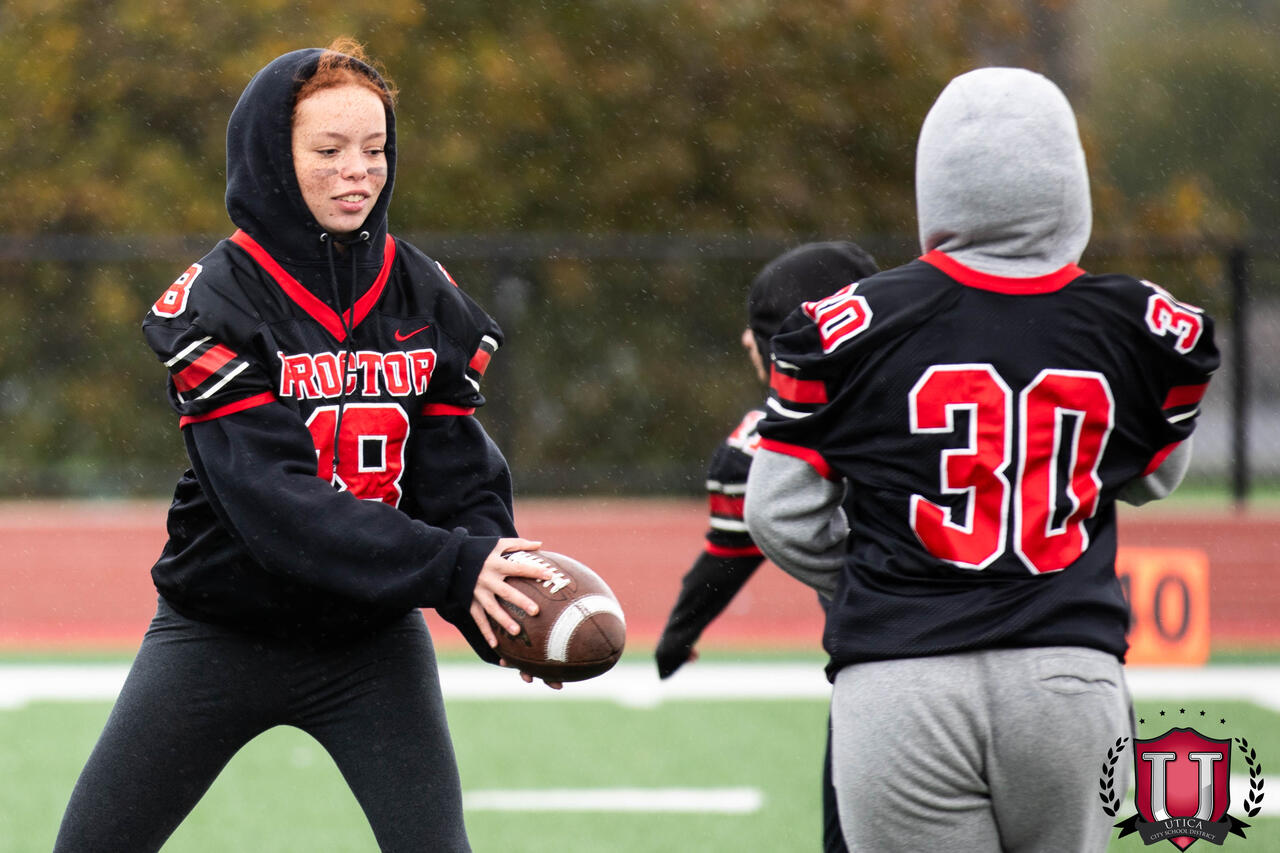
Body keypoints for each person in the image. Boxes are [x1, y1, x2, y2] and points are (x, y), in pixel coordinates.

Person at [54, 39, 558, 853]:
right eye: (327, 151)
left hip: (370, 642)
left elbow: (458, 477)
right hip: (218, 631)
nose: (357, 170)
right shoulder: (217, 299)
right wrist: (452, 567)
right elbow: (275, 505)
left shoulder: (423, 291)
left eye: (374, 148)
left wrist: (497, 601)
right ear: (273, 161)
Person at [744, 67, 1219, 852]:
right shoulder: (1131, 321)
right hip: (1066, 674)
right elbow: (1154, 475)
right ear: (1068, 182)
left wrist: (871, 570)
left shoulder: (852, 324)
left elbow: (776, 511)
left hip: (902, 676)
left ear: (937, 182)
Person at [655, 241, 878, 853]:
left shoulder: (769, 437)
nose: (746, 342)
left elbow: (731, 554)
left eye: (760, 328)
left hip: (890, 663)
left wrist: (675, 639)